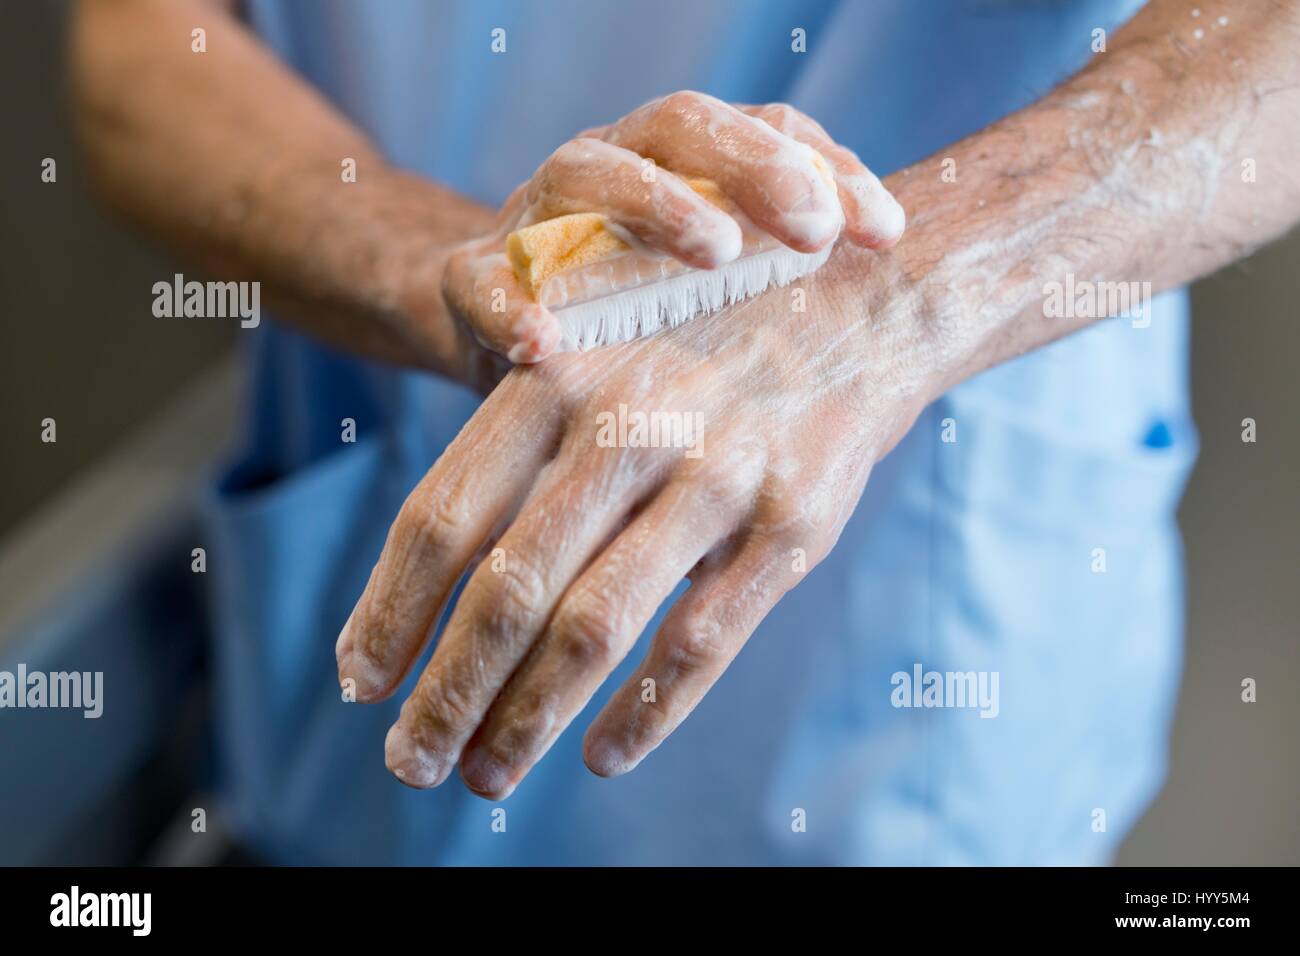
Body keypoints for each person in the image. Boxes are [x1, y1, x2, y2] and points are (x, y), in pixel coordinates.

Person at [72, 0, 1300, 865]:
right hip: (341, 740)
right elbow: (139, 37)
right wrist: (449, 270)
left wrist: (891, 298)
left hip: (898, 710)